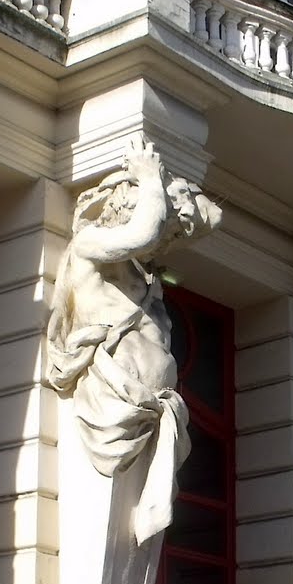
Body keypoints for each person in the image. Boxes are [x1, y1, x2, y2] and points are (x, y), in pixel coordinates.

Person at [46, 135, 220, 544]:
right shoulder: (89, 246)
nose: (171, 239)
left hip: (150, 413)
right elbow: (142, 234)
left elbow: (209, 218)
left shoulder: (144, 281)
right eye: (171, 227)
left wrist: (186, 204)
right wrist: (150, 177)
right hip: (111, 409)